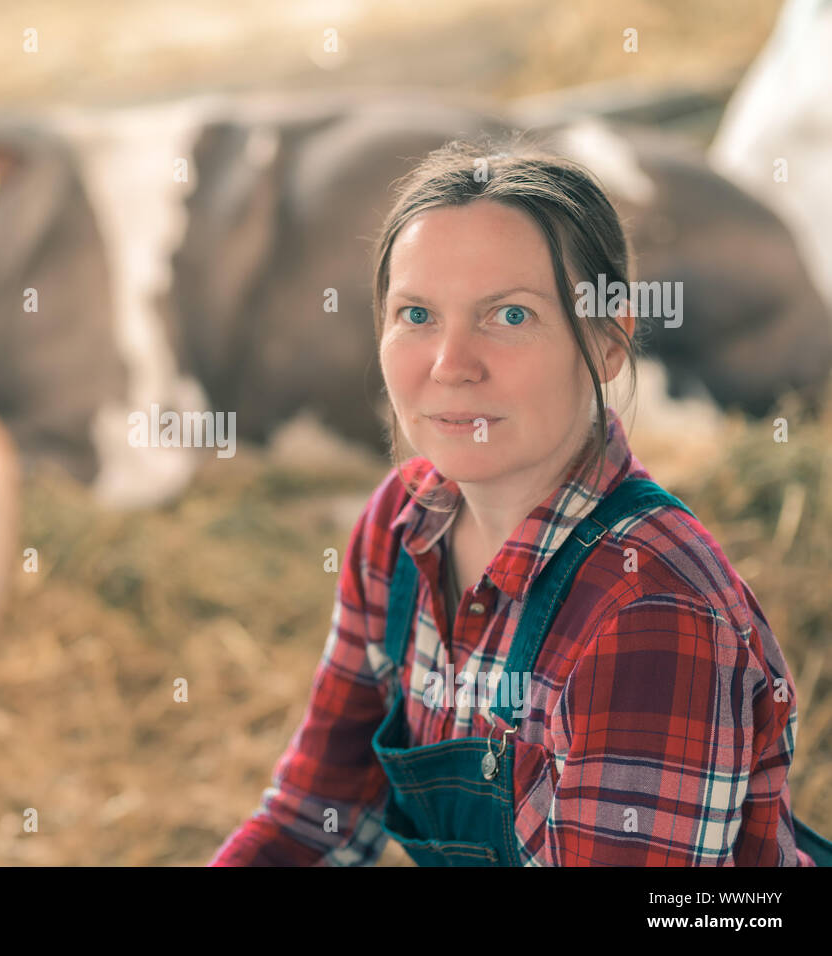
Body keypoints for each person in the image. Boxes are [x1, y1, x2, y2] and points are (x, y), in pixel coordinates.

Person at [208, 139, 832, 866]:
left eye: (508, 316)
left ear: (607, 345)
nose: (450, 365)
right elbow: (311, 820)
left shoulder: (649, 614)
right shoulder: (401, 529)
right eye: (416, 315)